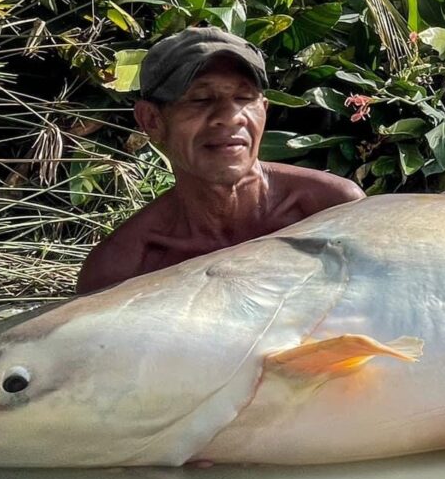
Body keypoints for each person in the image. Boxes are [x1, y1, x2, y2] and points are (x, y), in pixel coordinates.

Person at [76, 27, 364, 293]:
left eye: (245, 98)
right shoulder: (123, 268)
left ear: (264, 110)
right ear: (151, 120)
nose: (230, 116)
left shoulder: (332, 210)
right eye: (201, 99)